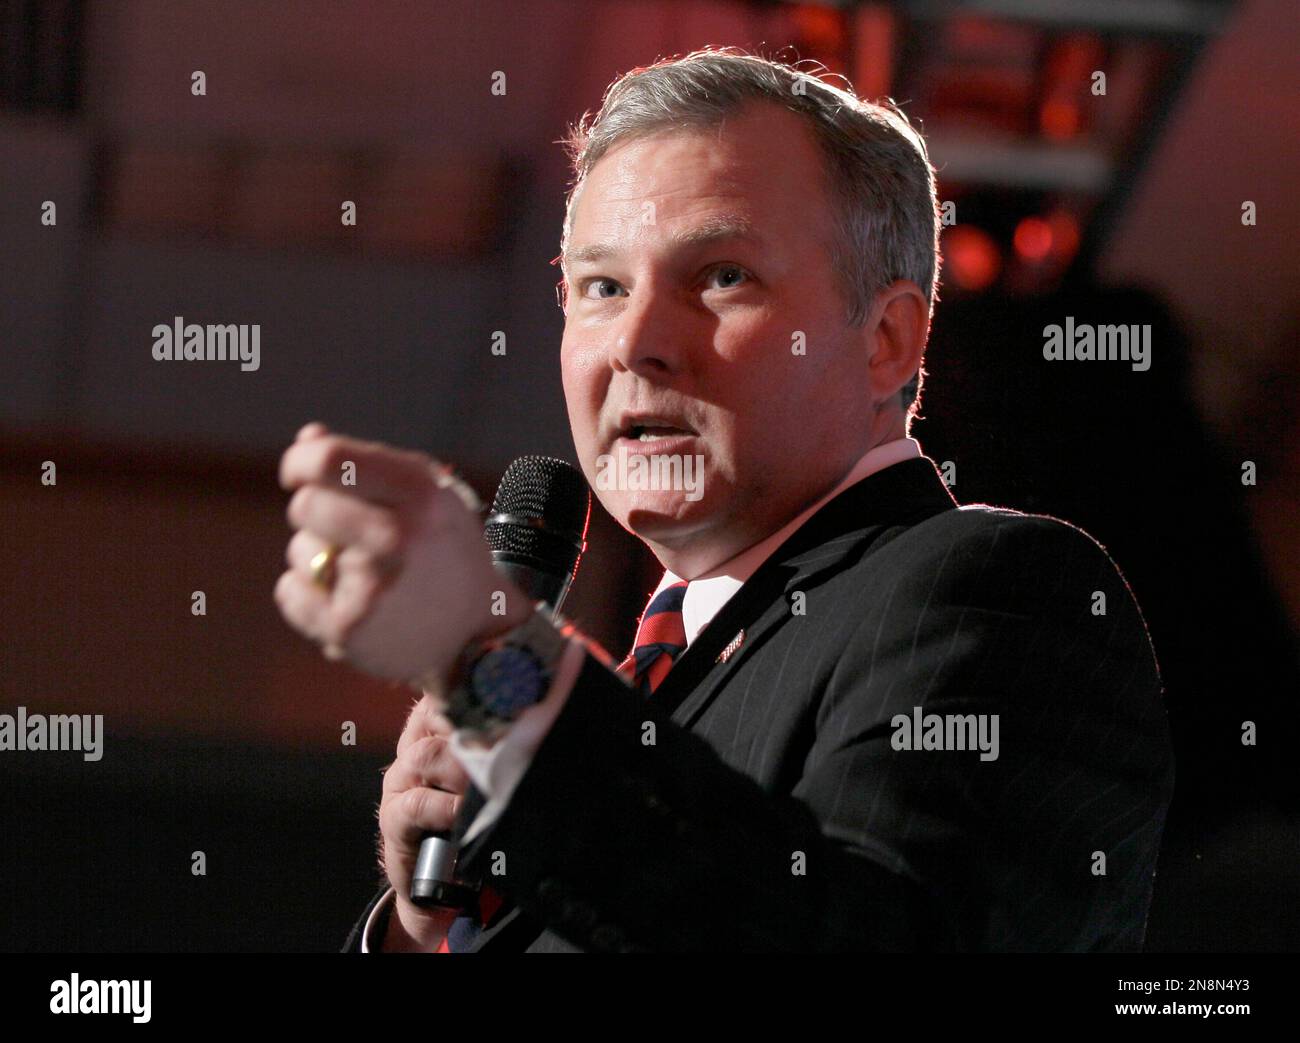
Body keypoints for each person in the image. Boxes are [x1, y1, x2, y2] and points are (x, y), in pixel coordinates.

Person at [274, 48, 1173, 952]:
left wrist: (499, 674)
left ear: (887, 341)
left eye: (721, 275)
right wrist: (428, 934)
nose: (634, 340)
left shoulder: (992, 588)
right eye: (602, 286)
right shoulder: (636, 705)